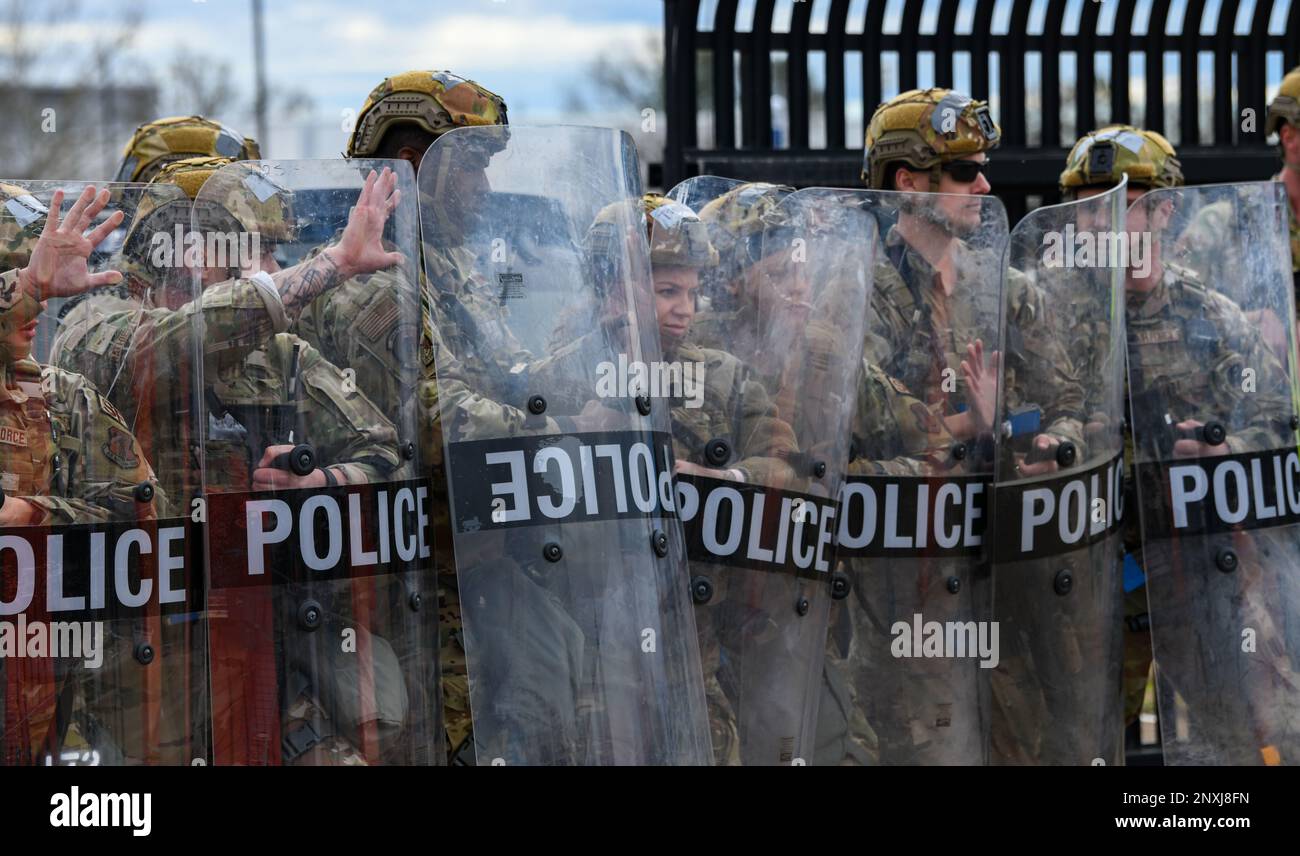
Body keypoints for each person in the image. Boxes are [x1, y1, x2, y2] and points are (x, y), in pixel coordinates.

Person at [0, 184, 170, 765]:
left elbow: (155, 525)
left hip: (45, 708)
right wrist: (25, 288)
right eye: (12, 277)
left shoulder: (60, 399)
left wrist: (42, 518)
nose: (37, 305)